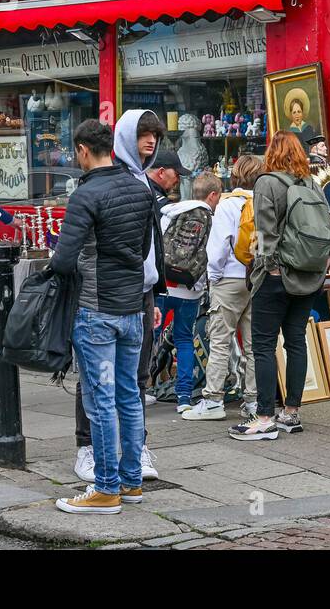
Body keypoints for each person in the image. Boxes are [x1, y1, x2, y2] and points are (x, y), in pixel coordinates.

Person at [51, 120, 154, 514]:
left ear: (81, 150)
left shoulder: (85, 195)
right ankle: (131, 482)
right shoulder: (139, 188)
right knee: (130, 396)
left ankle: (106, 488)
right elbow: (144, 248)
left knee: (100, 400)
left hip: (96, 312)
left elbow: (62, 260)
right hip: (132, 311)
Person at [73, 109, 165, 484]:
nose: (150, 141)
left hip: (138, 294)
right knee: (98, 380)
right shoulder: (113, 180)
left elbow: (151, 246)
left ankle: (133, 452)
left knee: (134, 379)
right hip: (103, 296)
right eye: (143, 133)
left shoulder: (144, 182)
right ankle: (90, 450)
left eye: (155, 135)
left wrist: (155, 292)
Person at [230, 133, 329, 440]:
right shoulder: (312, 184)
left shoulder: (267, 183)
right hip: (310, 276)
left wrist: (266, 269)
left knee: (262, 345)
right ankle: (292, 414)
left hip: (277, 276)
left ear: (271, 154)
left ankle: (263, 418)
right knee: (296, 341)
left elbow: (264, 232)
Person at [184, 154, 263, 422]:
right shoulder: (265, 203)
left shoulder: (229, 205)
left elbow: (217, 249)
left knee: (219, 341)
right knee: (254, 345)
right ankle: (253, 402)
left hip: (229, 279)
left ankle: (213, 400)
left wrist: (214, 277)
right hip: (258, 278)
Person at [159, 172, 220, 411]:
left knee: (148, 339)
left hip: (165, 287)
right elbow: (212, 254)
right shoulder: (209, 217)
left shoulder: (172, 212)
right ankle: (184, 397)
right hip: (190, 289)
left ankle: (138, 392)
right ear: (212, 195)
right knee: (185, 340)